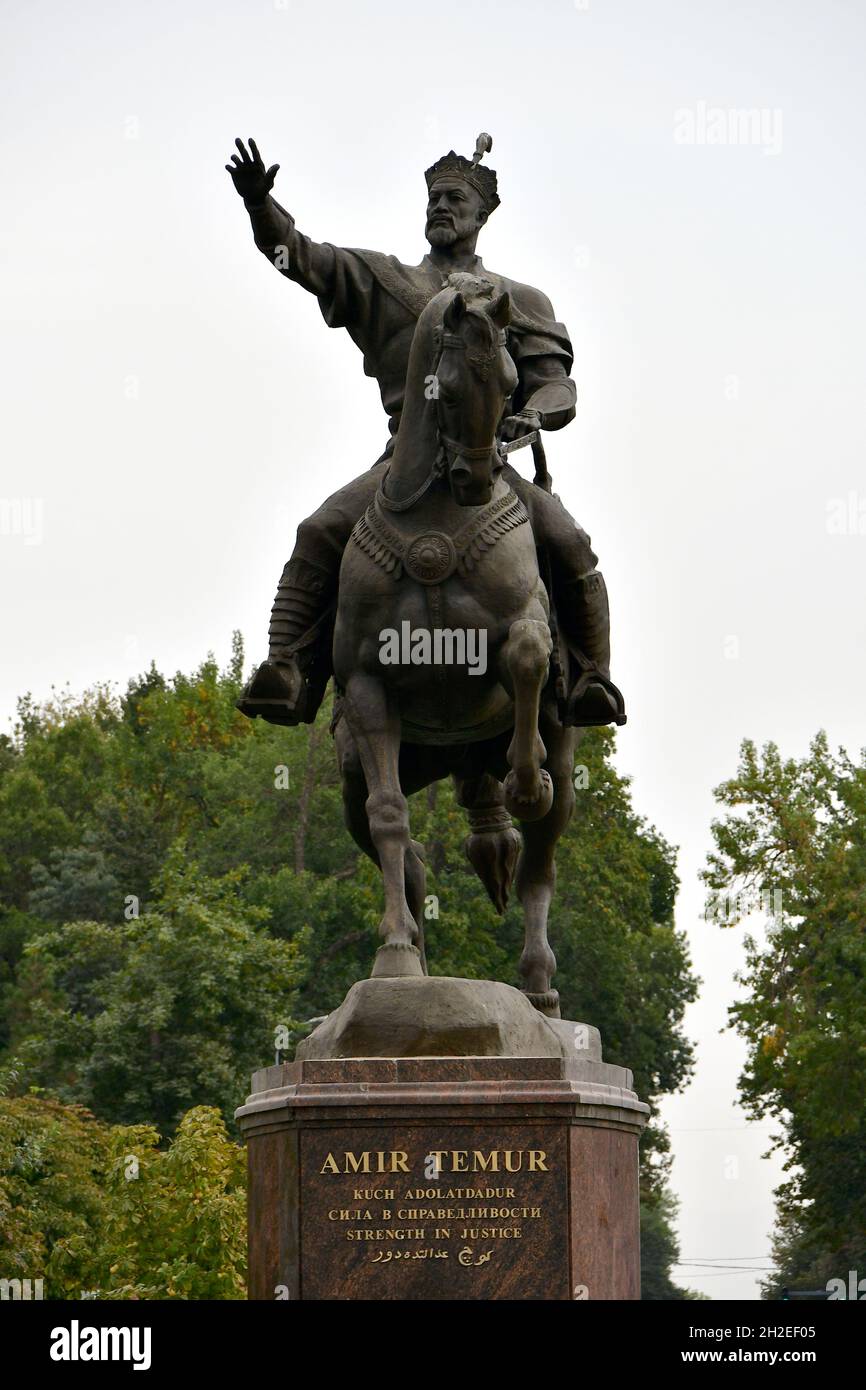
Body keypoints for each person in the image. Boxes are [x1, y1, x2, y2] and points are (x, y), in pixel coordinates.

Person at [226, 133, 624, 728]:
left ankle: (590, 678)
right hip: (403, 462)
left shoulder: (517, 300)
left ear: (481, 215)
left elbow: (557, 384)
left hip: (490, 464)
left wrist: (533, 414)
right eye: (434, 197)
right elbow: (303, 256)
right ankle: (287, 667)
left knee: (568, 542)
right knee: (320, 529)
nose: (441, 207)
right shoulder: (386, 282)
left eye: (455, 199)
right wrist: (261, 206)